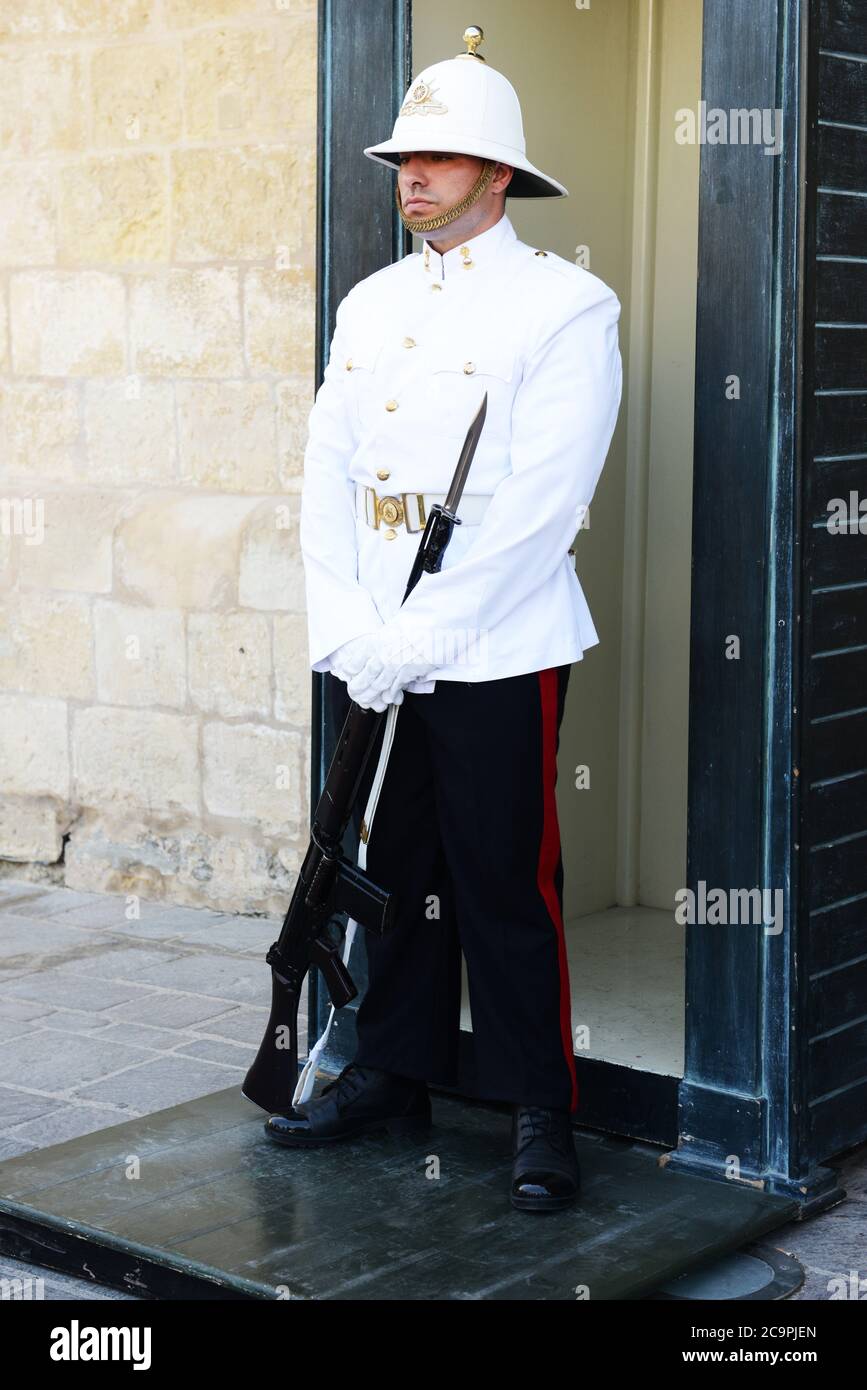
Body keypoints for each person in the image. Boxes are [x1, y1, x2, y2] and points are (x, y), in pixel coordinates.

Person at [264, 27, 623, 1213]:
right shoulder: (371, 304)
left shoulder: (567, 306)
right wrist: (347, 629)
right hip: (371, 646)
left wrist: (414, 641)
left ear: (500, 175)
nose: (412, 175)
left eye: (440, 157)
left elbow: (541, 511)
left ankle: (537, 1107)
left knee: (502, 877)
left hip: (495, 645)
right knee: (392, 863)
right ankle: (392, 1070)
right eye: (405, 158)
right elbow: (328, 471)